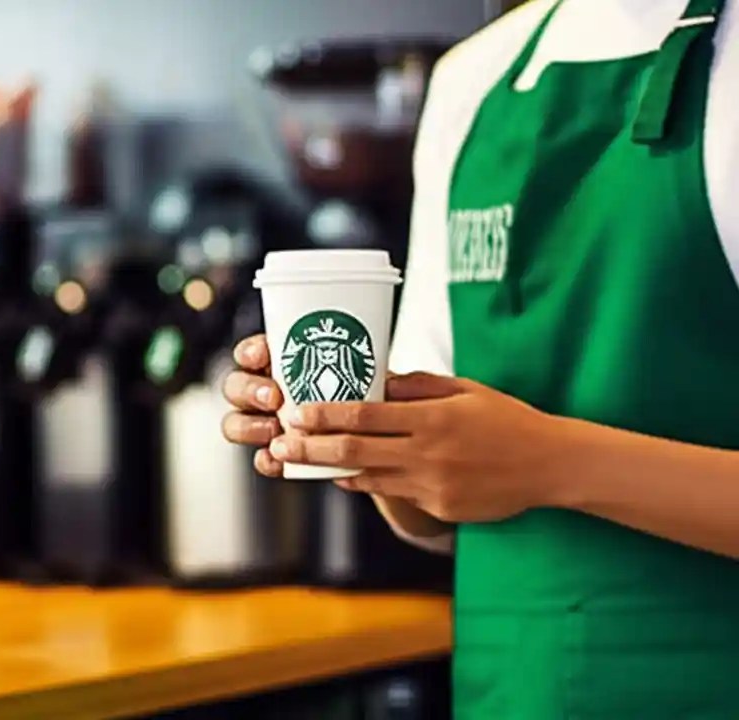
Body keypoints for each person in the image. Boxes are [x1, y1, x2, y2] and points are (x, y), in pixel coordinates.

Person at [221, 0, 739, 716]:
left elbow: (518, 464)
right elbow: (427, 518)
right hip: (509, 694)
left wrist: (550, 462)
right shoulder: (473, 79)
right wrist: (349, 429)